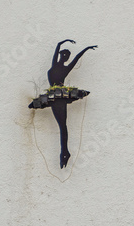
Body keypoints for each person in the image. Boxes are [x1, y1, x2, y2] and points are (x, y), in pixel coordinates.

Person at [36, 39, 96, 168]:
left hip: (60, 97)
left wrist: (86, 49)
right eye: (64, 55)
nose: (65, 58)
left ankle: (65, 152)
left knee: (62, 125)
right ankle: (65, 152)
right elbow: (57, 47)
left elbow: (76, 58)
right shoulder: (54, 65)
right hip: (53, 96)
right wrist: (64, 41)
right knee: (62, 125)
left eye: (66, 57)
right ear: (61, 55)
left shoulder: (65, 68)